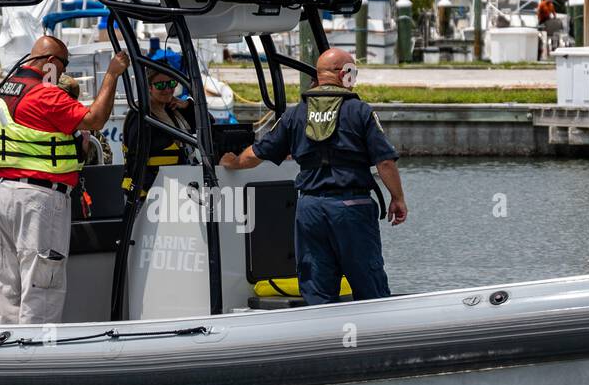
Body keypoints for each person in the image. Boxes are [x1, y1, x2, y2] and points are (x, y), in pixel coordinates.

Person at [220, 48, 407, 305]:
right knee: (368, 281)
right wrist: (397, 198)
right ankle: (376, 337)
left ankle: (320, 337)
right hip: (351, 207)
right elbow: (384, 161)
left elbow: (257, 154)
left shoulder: (296, 114)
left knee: (316, 284)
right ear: (346, 74)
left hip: (309, 209)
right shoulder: (359, 111)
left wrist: (231, 162)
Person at [0, 36, 129, 324]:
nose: (63, 75)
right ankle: (38, 355)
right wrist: (112, 74)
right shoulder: (44, 94)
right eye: (63, 68)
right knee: (42, 283)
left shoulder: (6, 89)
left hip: (1, 193)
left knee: (8, 282)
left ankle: (11, 350)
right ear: (51, 62)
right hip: (37, 199)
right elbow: (95, 119)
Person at [122, 49, 197, 197]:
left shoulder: (174, 109)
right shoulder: (140, 116)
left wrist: (187, 106)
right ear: (149, 88)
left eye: (171, 83)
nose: (168, 89)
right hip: (148, 196)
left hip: (177, 191)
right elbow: (134, 161)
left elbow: (209, 124)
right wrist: (159, 190)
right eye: (161, 85)